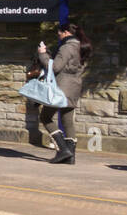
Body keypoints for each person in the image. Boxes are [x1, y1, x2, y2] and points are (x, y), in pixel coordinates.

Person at [36, 22, 91, 164]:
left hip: (61, 88)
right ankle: (70, 157)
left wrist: (42, 54)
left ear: (66, 32)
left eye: (59, 33)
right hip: (74, 87)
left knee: (45, 117)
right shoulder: (81, 47)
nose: (58, 35)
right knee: (68, 122)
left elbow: (54, 67)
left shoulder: (66, 47)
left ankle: (63, 149)